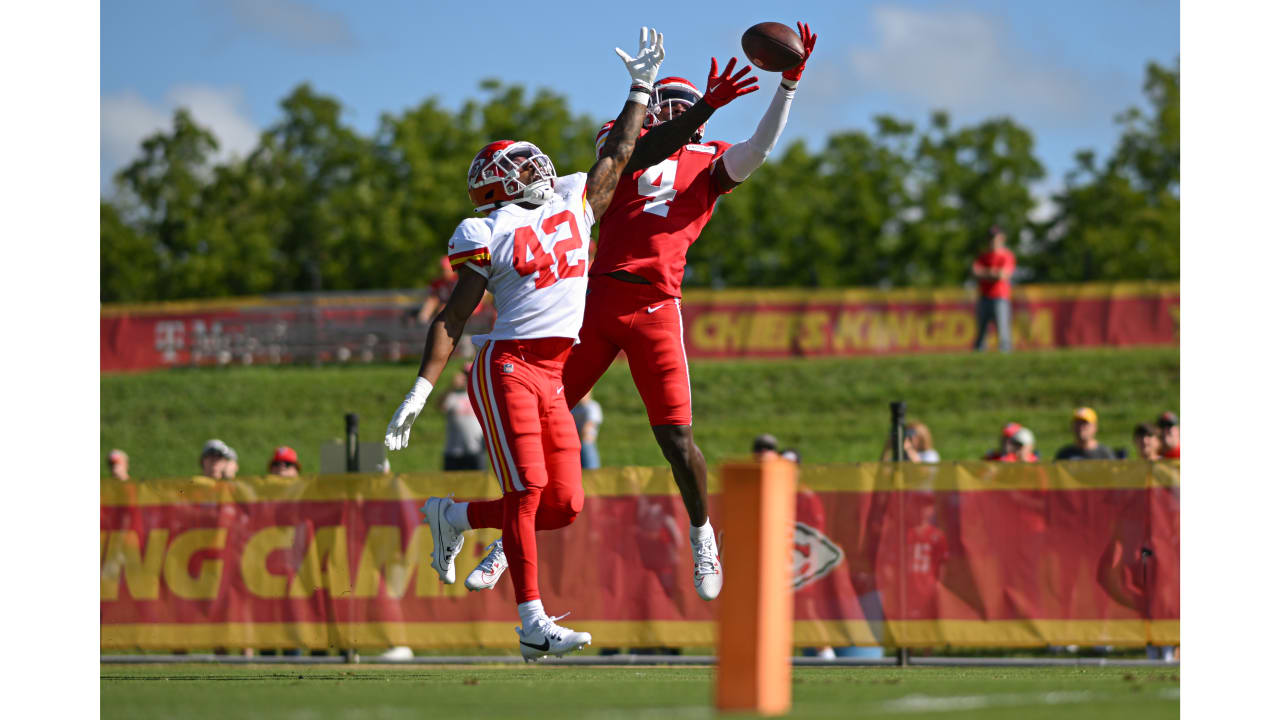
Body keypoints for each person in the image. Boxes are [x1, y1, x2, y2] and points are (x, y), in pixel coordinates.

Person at [381, 27, 664, 662]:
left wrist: (640, 90)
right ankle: (532, 621)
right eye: (516, 169)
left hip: (554, 374)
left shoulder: (572, 201)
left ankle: (451, 518)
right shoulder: (490, 229)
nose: (535, 168)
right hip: (506, 366)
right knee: (529, 490)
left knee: (564, 503)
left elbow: (619, 153)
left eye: (529, 161)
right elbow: (454, 317)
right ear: (496, 188)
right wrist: (419, 391)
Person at [559, 23, 818, 602]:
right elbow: (630, 155)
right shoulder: (625, 137)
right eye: (665, 101)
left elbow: (759, 150)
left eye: (684, 102)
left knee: (676, 439)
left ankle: (703, 535)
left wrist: (789, 85)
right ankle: (513, 527)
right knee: (547, 415)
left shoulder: (711, 159)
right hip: (598, 296)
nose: (673, 109)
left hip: (655, 304)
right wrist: (700, 103)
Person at [971, 225, 1016, 352]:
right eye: (990, 237)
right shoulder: (983, 256)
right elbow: (974, 272)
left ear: (1002, 238)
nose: (992, 240)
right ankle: (978, 357)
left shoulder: (1007, 255)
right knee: (981, 332)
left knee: (1003, 331)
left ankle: (1005, 355)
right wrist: (993, 273)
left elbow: (1003, 275)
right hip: (984, 297)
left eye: (995, 237)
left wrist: (985, 274)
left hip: (1000, 297)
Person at [439, 365, 486, 471]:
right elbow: (440, 405)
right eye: (466, 375)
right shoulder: (453, 395)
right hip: (454, 451)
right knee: (453, 487)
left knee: (478, 486)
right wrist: (451, 387)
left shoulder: (482, 396)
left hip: (477, 450)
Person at [570, 389, 604, 470]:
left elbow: (590, 424)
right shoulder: (574, 408)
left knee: (591, 467)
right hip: (575, 443)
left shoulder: (592, 406)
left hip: (587, 442)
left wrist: (582, 434)